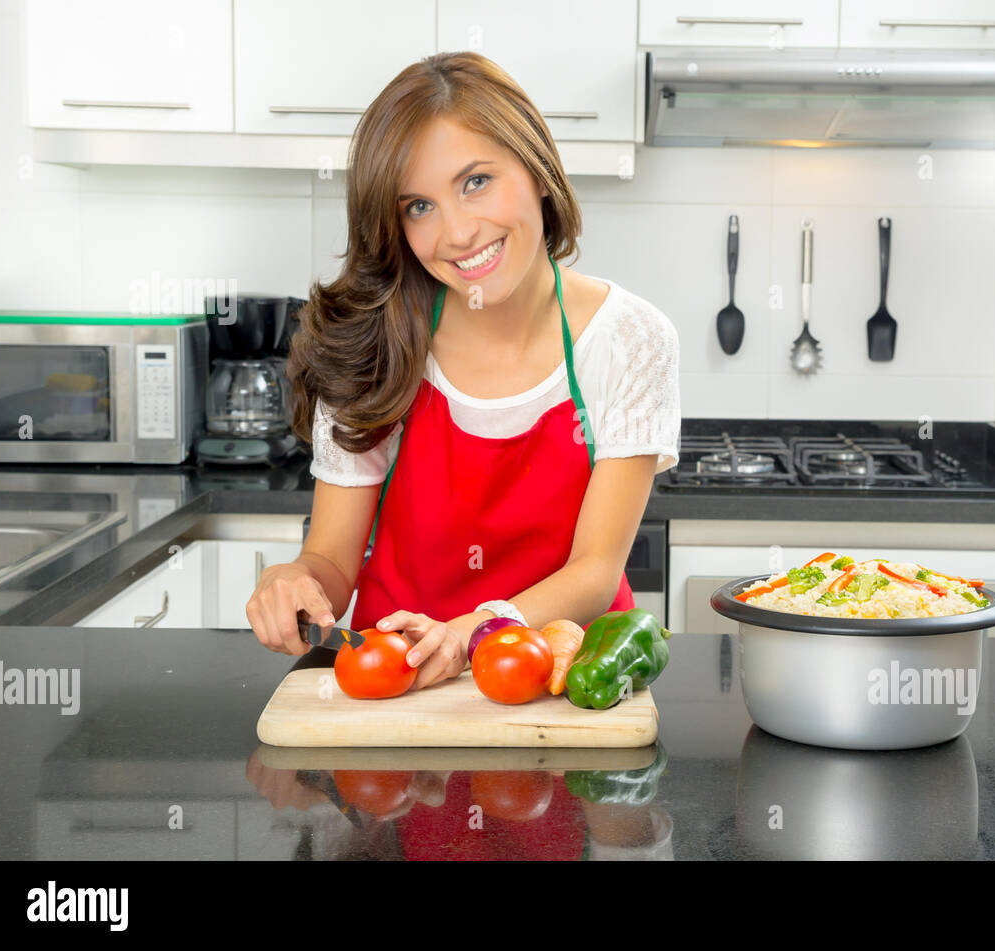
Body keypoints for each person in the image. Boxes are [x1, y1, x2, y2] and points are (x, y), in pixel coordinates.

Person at [245, 51, 680, 692]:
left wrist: (476, 629)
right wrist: (296, 580)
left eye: (476, 181)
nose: (457, 232)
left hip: (561, 682)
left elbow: (594, 568)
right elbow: (332, 561)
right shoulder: (373, 341)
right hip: (396, 682)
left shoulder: (631, 339)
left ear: (536, 167)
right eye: (418, 206)